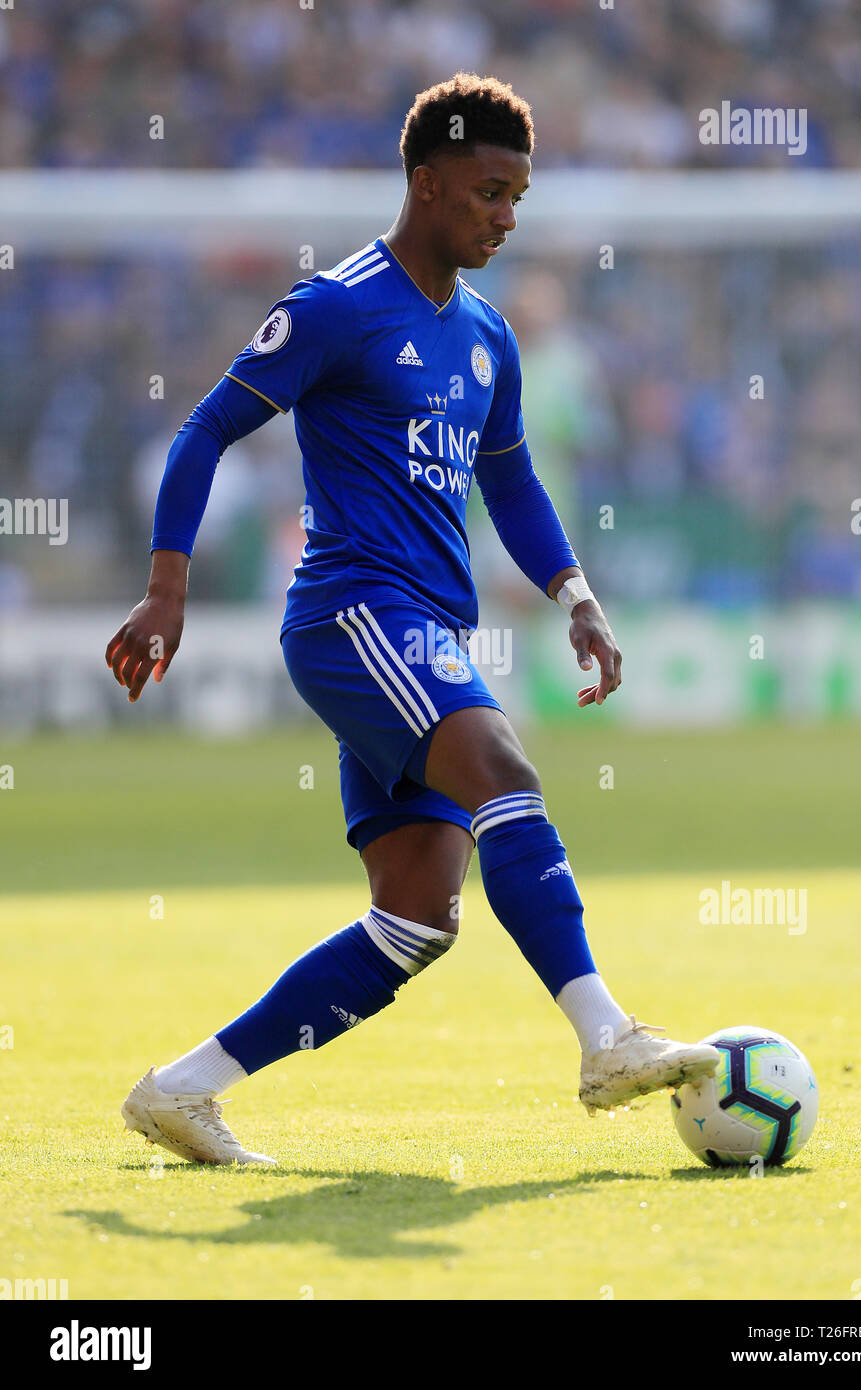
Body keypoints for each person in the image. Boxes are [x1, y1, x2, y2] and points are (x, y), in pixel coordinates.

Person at [107, 73, 717, 1166]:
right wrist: (166, 585)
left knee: (418, 916)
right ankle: (606, 1038)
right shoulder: (337, 307)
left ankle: (180, 1090)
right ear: (427, 183)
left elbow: (515, 487)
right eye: (488, 191)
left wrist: (574, 596)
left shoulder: (487, 335)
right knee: (505, 772)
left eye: (517, 196)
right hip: (353, 614)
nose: (506, 216)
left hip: (425, 627)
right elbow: (203, 432)